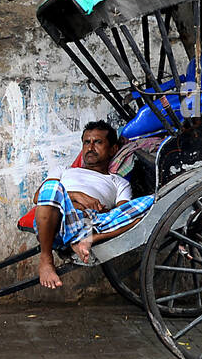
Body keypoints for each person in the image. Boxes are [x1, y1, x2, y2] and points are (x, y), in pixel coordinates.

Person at [34, 120, 154, 289]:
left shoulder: (118, 182)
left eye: (98, 142)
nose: (90, 147)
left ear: (113, 149)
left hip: (91, 223)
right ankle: (46, 259)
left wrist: (106, 210)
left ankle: (87, 239)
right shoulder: (64, 170)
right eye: (86, 142)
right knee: (52, 188)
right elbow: (39, 196)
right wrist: (77, 197)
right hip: (55, 220)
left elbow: (122, 212)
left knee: (153, 202)